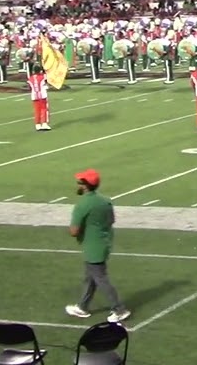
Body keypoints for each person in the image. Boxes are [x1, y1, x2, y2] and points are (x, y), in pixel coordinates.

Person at [65, 169, 130, 323]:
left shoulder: (83, 204)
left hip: (92, 246)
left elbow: (74, 231)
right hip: (104, 243)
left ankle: (119, 309)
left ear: (85, 185)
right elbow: (111, 220)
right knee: (90, 277)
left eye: (80, 182)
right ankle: (82, 307)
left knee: (101, 279)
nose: (78, 185)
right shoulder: (105, 201)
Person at [29, 63, 50, 131]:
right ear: (40, 71)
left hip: (34, 96)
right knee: (44, 109)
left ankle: (37, 124)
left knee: (37, 110)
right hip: (42, 96)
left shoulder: (30, 78)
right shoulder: (43, 77)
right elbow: (48, 76)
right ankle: (44, 123)